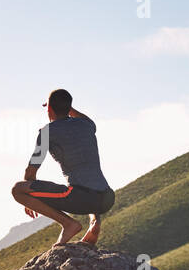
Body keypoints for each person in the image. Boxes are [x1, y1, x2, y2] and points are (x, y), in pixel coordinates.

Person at [11, 88, 115, 246]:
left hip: (81, 198)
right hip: (106, 198)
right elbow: (85, 119)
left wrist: (29, 198)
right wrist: (68, 107)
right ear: (69, 108)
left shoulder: (46, 132)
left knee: (17, 189)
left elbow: (31, 170)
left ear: (49, 109)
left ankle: (68, 224)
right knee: (88, 179)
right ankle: (94, 223)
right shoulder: (86, 125)